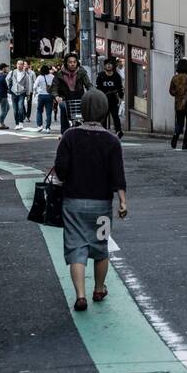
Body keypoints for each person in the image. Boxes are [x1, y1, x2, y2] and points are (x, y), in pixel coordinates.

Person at [53, 89, 127, 312]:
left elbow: (61, 170)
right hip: (102, 205)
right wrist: (123, 201)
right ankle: (99, 288)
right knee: (100, 247)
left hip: (73, 203)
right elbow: (118, 174)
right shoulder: (112, 141)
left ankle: (80, 295)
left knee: (76, 247)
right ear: (105, 110)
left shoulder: (70, 136)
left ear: (82, 109)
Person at [52, 52, 92, 132]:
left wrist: (92, 94)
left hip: (79, 97)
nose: (72, 64)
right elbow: (54, 87)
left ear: (77, 62)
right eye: (70, 62)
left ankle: (82, 130)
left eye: (74, 62)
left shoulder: (82, 72)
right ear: (66, 63)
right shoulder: (60, 74)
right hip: (65, 97)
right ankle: (64, 133)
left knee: (82, 115)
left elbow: (88, 85)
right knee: (63, 109)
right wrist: (56, 96)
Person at [169, 58, 187, 151]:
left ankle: (175, 136)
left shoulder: (175, 78)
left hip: (179, 105)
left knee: (179, 124)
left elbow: (171, 92)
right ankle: (185, 145)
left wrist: (179, 94)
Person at [96, 57, 124, 138]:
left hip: (113, 99)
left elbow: (120, 87)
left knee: (115, 116)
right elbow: (98, 87)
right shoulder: (101, 75)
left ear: (113, 66)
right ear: (104, 66)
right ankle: (103, 131)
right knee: (103, 116)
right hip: (104, 99)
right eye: (107, 64)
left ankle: (119, 131)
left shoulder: (116, 76)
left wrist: (121, 96)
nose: (108, 66)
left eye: (110, 64)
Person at [9, 58, 35, 129]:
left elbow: (28, 84)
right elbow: (7, 79)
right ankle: (17, 124)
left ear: (23, 65)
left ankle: (21, 122)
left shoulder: (26, 74)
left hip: (22, 93)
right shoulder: (12, 72)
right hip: (14, 92)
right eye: (18, 64)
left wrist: (28, 94)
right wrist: (11, 87)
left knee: (20, 107)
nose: (19, 65)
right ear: (16, 65)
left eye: (21, 64)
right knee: (15, 110)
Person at [34, 64, 54, 133]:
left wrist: (36, 92)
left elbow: (34, 86)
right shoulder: (52, 76)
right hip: (49, 96)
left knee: (39, 111)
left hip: (41, 96)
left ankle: (39, 126)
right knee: (48, 113)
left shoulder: (39, 77)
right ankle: (48, 127)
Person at [0, 63, 11, 128]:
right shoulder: (4, 76)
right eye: (6, 67)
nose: (7, 69)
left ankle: (1, 122)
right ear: (3, 68)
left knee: (7, 107)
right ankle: (0, 123)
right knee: (4, 109)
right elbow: (7, 86)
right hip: (2, 94)